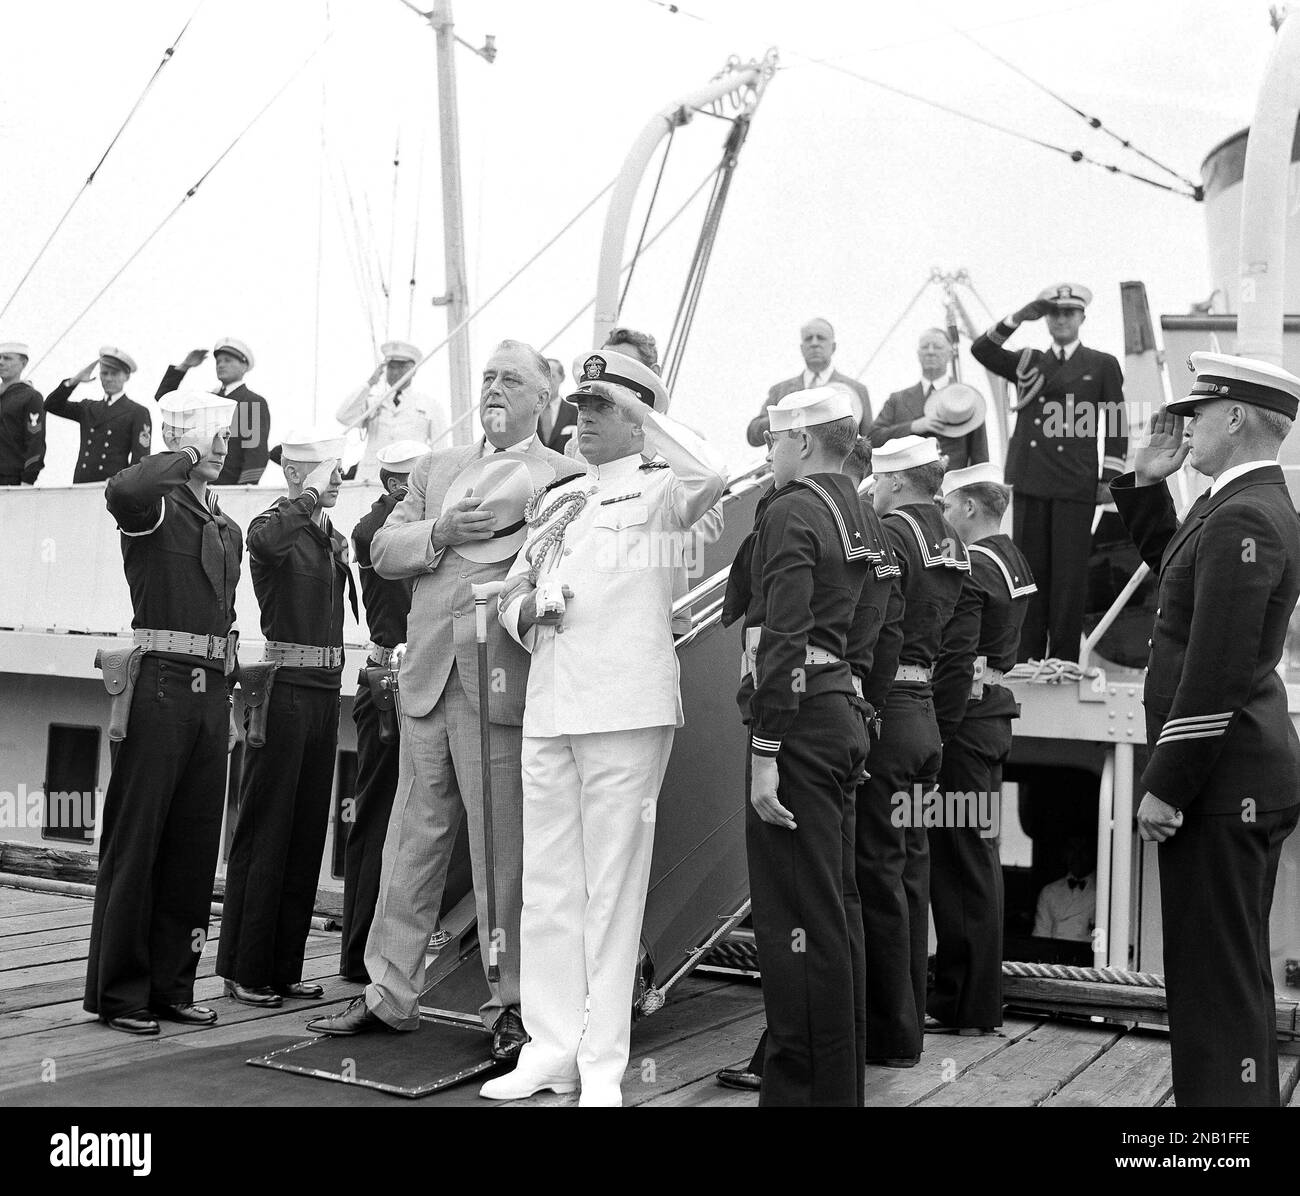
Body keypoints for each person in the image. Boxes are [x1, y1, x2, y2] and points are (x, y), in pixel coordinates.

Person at [306, 339, 577, 1063]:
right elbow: (384, 552)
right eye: (487, 376)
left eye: (510, 379)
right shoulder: (435, 467)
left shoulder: (565, 477)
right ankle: (387, 996)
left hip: (501, 685)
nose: (492, 387)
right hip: (426, 680)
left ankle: (513, 1004)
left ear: (542, 398)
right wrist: (441, 532)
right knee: (409, 846)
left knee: (502, 855)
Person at [481, 348, 727, 1106]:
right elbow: (511, 593)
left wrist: (647, 411)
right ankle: (550, 1048)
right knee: (549, 888)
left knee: (611, 891)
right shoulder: (560, 496)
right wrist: (531, 611)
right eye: (579, 407)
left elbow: (710, 478)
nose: (581, 419)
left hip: (624, 706)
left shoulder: (662, 491)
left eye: (600, 408)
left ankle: (601, 1064)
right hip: (553, 703)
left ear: (638, 419)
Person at [1112, 351, 1300, 1108]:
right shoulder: (1244, 504)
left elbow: (1216, 668)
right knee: (1231, 973)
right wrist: (1144, 482)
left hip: (1219, 787)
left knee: (1211, 986)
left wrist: (1165, 787)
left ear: (1235, 417)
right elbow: (1178, 572)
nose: (1185, 428)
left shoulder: (1245, 514)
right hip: (1242, 777)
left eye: (1196, 414)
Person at [718, 390, 899, 1106]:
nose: (768, 454)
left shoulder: (796, 507)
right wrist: (862, 709)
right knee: (836, 910)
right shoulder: (868, 519)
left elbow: (784, 636)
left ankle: (799, 1092)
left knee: (794, 916)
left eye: (774, 441)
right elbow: (888, 629)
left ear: (802, 442)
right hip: (841, 713)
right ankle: (836, 1087)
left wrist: (767, 747)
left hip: (796, 724)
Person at [83, 390, 242, 1034]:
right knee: (139, 838)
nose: (226, 444)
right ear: (183, 439)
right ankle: (121, 992)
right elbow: (121, 488)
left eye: (227, 434)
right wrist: (179, 450)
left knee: (193, 844)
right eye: (215, 434)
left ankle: (172, 984)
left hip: (211, 689)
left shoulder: (224, 524)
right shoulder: (155, 505)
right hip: (161, 686)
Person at [217, 430, 353, 1006]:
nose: (340, 481)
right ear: (300, 473)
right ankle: (246, 967)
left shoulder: (327, 534)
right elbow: (265, 546)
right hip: (286, 688)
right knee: (266, 827)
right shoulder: (277, 522)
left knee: (303, 832)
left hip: (324, 691)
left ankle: (284, 965)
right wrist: (305, 498)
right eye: (331, 471)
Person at [862, 434, 969, 1067]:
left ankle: (888, 1034)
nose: (871, 493)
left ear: (898, 482)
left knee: (875, 875)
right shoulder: (953, 542)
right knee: (910, 874)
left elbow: (878, 628)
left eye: (876, 483)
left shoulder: (893, 534)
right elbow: (958, 646)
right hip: (926, 717)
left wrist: (865, 710)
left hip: (890, 716)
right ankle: (908, 1031)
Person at [928, 462, 1036, 1033]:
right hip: (991, 719)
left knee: (957, 862)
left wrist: (935, 735)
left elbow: (953, 658)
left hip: (964, 728)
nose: (943, 517)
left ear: (969, 507)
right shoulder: (1010, 557)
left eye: (947, 506)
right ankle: (977, 1001)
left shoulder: (973, 564)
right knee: (979, 859)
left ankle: (962, 1001)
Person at [971, 284, 1126, 661]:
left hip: (1075, 482)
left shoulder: (1101, 364)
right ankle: (1024, 659)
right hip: (1031, 479)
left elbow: (1117, 422)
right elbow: (983, 350)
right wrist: (1017, 318)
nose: (1060, 320)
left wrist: (1110, 476)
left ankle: (1063, 661)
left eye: (1068, 313)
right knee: (1029, 573)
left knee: (1069, 579)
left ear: (1081, 318)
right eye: (1053, 313)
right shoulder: (1029, 360)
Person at [338, 439, 431, 981]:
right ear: (398, 484)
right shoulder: (378, 529)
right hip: (392, 683)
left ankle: (382, 951)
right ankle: (359, 955)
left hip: (409, 676)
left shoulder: (398, 523)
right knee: (378, 816)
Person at [868, 328, 989, 471]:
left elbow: (980, 458)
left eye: (937, 347)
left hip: (950, 489)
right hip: (904, 488)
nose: (930, 352)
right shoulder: (897, 400)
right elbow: (873, 438)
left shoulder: (968, 400)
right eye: (925, 347)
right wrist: (913, 427)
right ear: (918, 354)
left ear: (950, 354)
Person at [155, 338, 271, 485]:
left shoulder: (253, 402)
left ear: (244, 366)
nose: (221, 365)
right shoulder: (208, 400)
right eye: (218, 361)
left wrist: (242, 492)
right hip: (198, 484)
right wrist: (184, 367)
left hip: (230, 488)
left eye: (227, 360)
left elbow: (255, 453)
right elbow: (166, 400)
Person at [745, 318, 871, 447]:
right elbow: (753, 435)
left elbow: (869, 441)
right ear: (802, 348)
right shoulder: (780, 390)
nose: (814, 343)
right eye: (808, 338)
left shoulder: (856, 390)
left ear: (833, 347)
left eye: (821, 338)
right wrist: (787, 414)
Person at [335, 341, 445, 483]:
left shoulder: (430, 405)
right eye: (391, 367)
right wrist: (369, 384)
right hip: (371, 478)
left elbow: (440, 450)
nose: (395, 372)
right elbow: (343, 416)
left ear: (414, 370)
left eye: (401, 367)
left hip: (409, 479)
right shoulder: (373, 402)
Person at [44, 347, 152, 483]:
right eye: (105, 373)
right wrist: (74, 381)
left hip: (113, 487)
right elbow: (51, 405)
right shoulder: (88, 407)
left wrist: (126, 485)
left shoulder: (137, 412)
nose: (108, 378)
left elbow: (140, 458)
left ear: (126, 376)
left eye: (114, 373)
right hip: (82, 483)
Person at [1032, 836, 1096, 943]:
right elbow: (1040, 937)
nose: (1077, 855)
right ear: (1065, 854)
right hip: (1055, 957)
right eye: (1072, 849)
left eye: (1082, 849)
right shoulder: (1049, 892)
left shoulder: (1105, 893)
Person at [0, 340, 45, 485]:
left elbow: (35, 441)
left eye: (7, 358)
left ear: (23, 363)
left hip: (11, 478)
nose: (1, 362)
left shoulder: (30, 397)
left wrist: (28, 479)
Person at [539, 357, 577, 452]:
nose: (546, 381)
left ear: (562, 378)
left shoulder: (575, 413)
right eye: (543, 376)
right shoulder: (528, 410)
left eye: (552, 376)